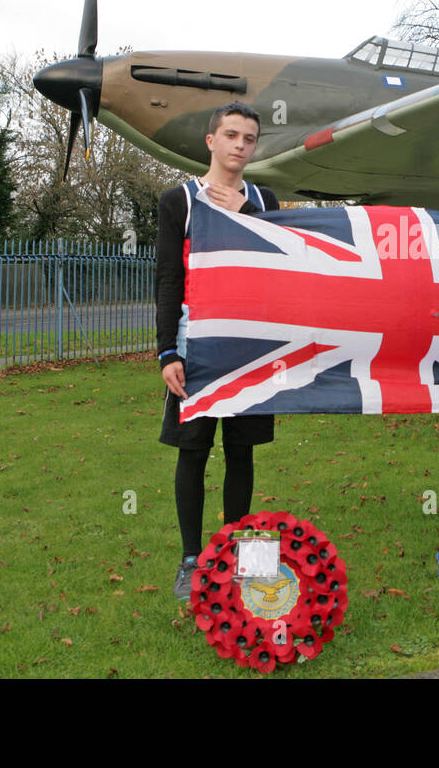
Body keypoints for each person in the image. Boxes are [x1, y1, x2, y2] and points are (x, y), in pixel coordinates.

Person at [156, 101, 279, 598]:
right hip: (196, 346)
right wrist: (168, 351)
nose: (240, 145)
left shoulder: (264, 199)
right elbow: (168, 277)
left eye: (248, 138)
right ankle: (190, 560)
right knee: (193, 452)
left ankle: (242, 554)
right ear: (211, 141)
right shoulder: (178, 200)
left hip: (249, 346)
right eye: (231, 135)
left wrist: (246, 214)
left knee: (241, 452)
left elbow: (285, 259)